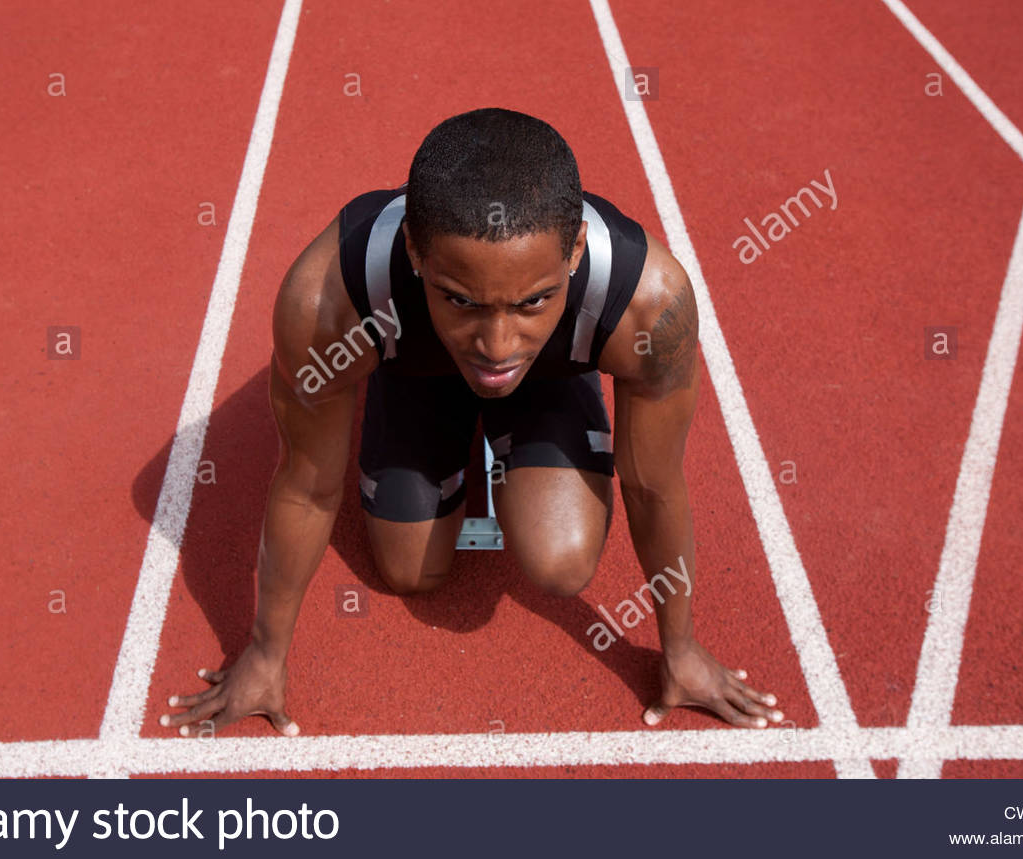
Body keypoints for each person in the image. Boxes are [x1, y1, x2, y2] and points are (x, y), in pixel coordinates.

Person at [161, 107, 783, 736]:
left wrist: (680, 647)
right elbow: (306, 483)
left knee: (561, 563)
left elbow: (653, 484)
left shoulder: (651, 306)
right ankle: (407, 381)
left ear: (576, 252)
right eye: (461, 299)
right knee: (410, 572)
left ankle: (531, 383)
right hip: (416, 369)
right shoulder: (327, 305)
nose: (496, 343)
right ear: (413, 252)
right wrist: (266, 653)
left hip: (550, 374)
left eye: (533, 301)